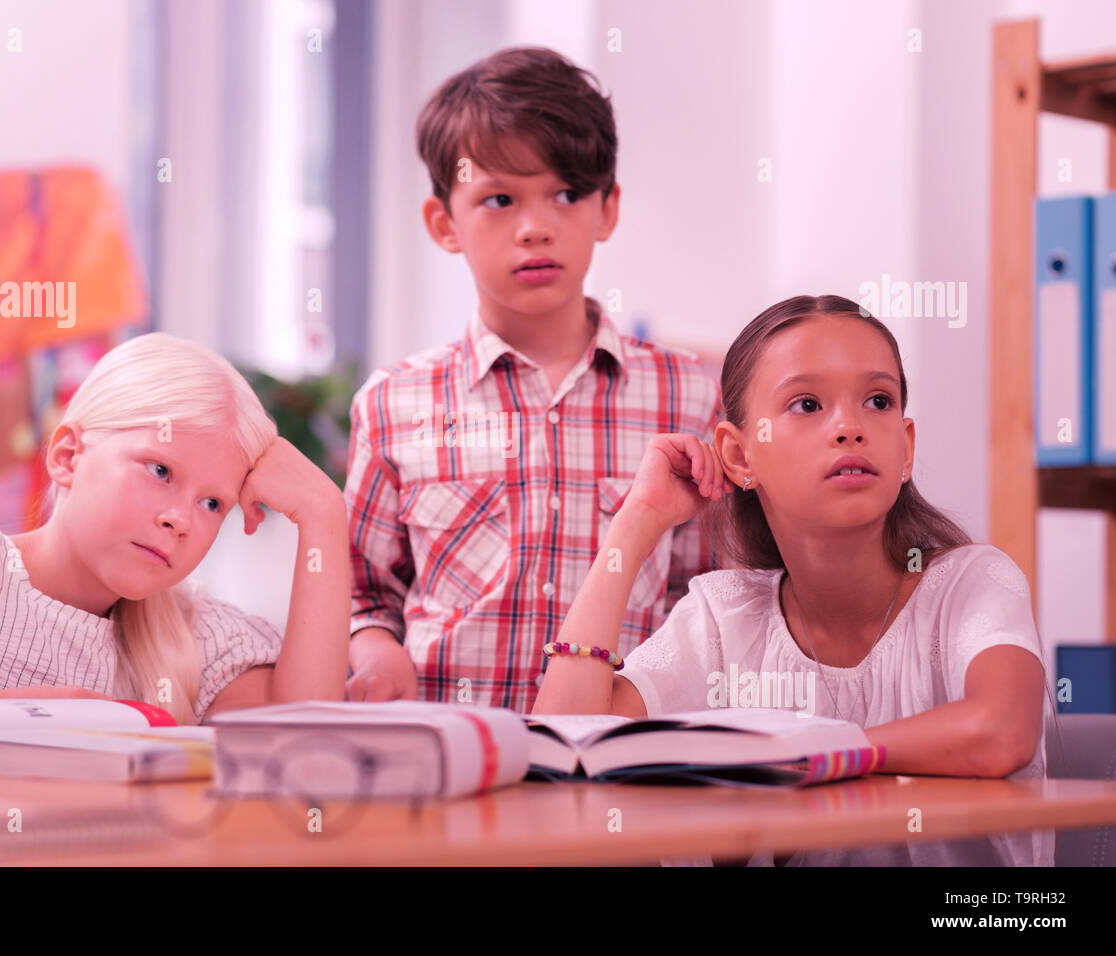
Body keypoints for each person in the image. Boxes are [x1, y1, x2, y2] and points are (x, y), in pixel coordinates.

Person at [533, 294, 1053, 865]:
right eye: (807, 404)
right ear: (738, 456)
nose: (850, 427)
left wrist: (807, 756)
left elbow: (1000, 730)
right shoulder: (724, 618)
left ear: (906, 447)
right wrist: (635, 525)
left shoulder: (974, 583)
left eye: (878, 400)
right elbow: (570, 746)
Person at [345, 46, 722, 711]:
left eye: (567, 194)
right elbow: (362, 587)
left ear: (606, 209)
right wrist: (375, 644)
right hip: (448, 759)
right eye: (498, 199)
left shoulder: (689, 395)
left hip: (622, 762)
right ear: (444, 224)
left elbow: (709, 595)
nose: (536, 228)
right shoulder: (393, 402)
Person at [0, 332, 350, 723]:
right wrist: (30, 712)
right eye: (160, 470)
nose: (180, 519)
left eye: (213, 503)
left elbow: (304, 736)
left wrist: (324, 514)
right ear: (68, 455)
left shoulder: (190, 634)